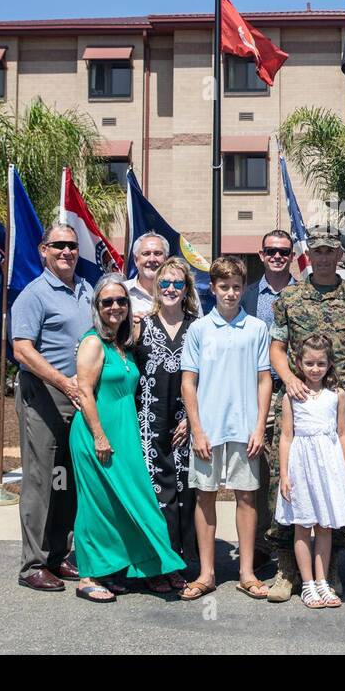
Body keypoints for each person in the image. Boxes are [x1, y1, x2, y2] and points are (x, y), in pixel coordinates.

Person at [266, 226, 345, 601]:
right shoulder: (290, 298)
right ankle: (287, 570)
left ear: (340, 255)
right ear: (309, 254)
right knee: (286, 487)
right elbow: (277, 348)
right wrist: (289, 379)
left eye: (331, 251)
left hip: (340, 409)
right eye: (318, 251)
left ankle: (329, 570)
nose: (325, 257)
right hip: (298, 409)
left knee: (334, 489)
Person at [68, 274, 185, 602]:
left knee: (126, 503)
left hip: (125, 433)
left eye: (121, 300)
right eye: (108, 302)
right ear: (97, 307)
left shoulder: (123, 344)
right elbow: (85, 393)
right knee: (95, 506)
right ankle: (88, 576)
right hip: (96, 433)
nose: (115, 307)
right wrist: (100, 436)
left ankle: (115, 569)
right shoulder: (93, 342)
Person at [179, 256, 273, 601]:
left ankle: (246, 572)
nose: (231, 293)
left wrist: (259, 426)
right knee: (205, 497)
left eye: (236, 287)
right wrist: (197, 430)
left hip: (245, 427)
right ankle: (207, 572)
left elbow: (265, 380)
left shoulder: (257, 329)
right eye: (224, 287)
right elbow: (188, 383)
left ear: (244, 287)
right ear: (213, 288)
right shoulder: (199, 329)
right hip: (208, 429)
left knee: (246, 497)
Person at [11, 224, 95, 592]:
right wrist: (63, 382)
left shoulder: (86, 290)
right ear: (44, 250)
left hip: (80, 396)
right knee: (41, 480)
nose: (66, 251)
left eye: (72, 245)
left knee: (67, 480)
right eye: (58, 245)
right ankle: (33, 564)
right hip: (45, 394)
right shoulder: (34, 294)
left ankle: (59, 554)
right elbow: (22, 349)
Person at [133, 255, 201, 594]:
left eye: (178, 283)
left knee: (185, 493)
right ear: (156, 288)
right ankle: (154, 564)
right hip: (147, 424)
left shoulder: (197, 327)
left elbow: (207, 379)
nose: (171, 288)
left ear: (186, 288)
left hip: (185, 425)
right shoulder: (140, 327)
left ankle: (178, 563)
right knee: (155, 494)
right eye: (165, 283)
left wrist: (191, 420)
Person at [276, 334, 345, 609]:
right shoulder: (292, 396)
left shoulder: (337, 395)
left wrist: (344, 470)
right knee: (303, 525)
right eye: (309, 363)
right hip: (301, 464)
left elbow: (343, 433)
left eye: (321, 363)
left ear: (330, 364)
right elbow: (286, 436)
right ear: (299, 363)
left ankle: (323, 580)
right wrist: (285, 475)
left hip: (328, 464)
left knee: (324, 526)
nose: (315, 369)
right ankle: (307, 583)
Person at [247, 229, 297, 561]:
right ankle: (264, 543)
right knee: (259, 471)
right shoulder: (246, 295)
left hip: (294, 392)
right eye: (271, 251)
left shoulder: (304, 294)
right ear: (261, 255)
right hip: (254, 393)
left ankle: (292, 540)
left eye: (283, 252)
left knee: (291, 467)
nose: (277, 256)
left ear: (292, 256)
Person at [127, 232, 169, 321]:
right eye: (146, 254)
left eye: (157, 253)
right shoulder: (121, 292)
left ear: (166, 259)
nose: (152, 259)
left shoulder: (184, 292)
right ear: (136, 260)